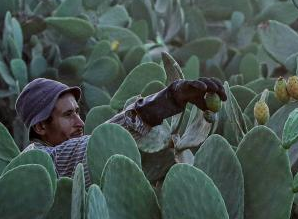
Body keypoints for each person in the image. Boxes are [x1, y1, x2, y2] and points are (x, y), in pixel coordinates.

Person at [13, 76, 227, 184]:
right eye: (68, 115)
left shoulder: (67, 158)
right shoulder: (40, 160)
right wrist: (167, 100)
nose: (80, 122)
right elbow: (95, 145)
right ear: (40, 126)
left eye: (78, 112)